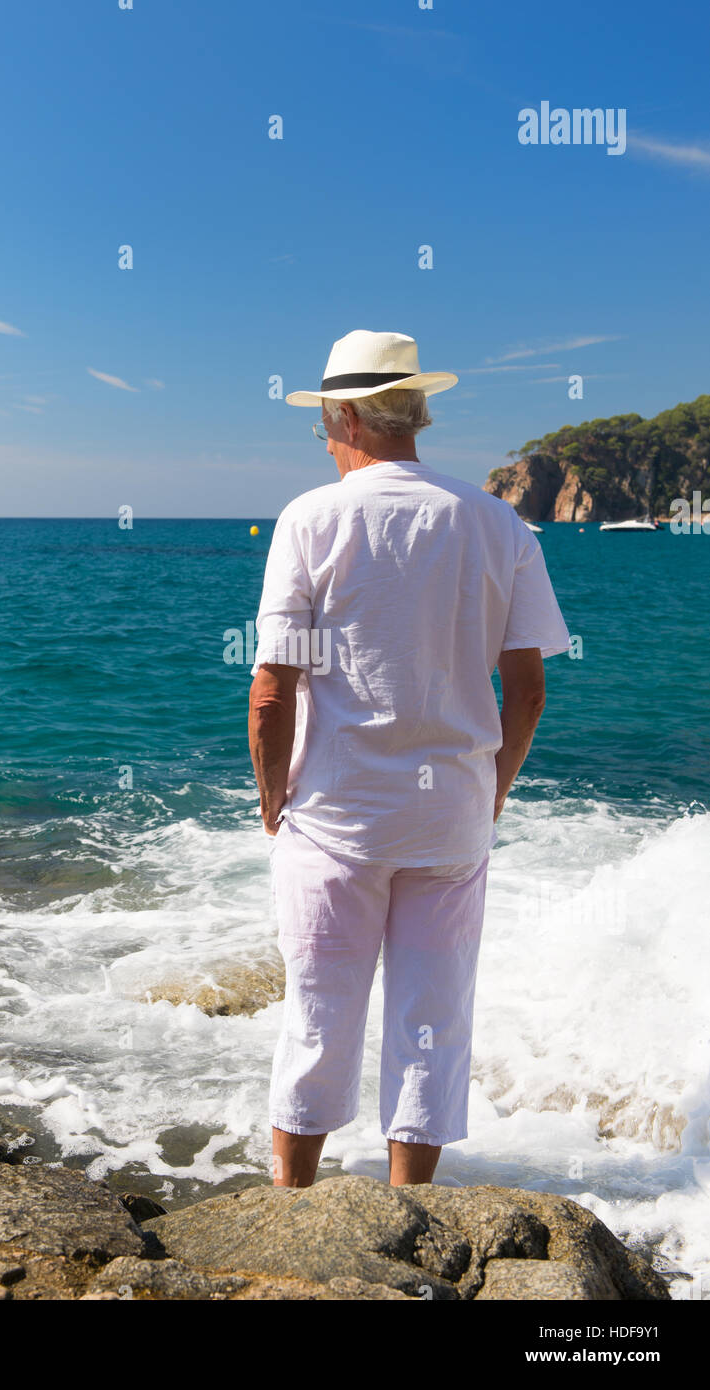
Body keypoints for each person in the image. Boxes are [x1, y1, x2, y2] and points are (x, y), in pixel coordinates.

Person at [248, 329, 570, 1189]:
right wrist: (490, 792)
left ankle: (291, 1198)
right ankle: (408, 1206)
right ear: (415, 411)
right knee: (433, 1016)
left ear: (346, 414)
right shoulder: (495, 521)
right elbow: (528, 689)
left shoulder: (310, 518)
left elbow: (273, 689)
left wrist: (272, 799)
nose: (322, 435)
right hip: (452, 815)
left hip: (336, 813)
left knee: (318, 1012)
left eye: (323, 419)